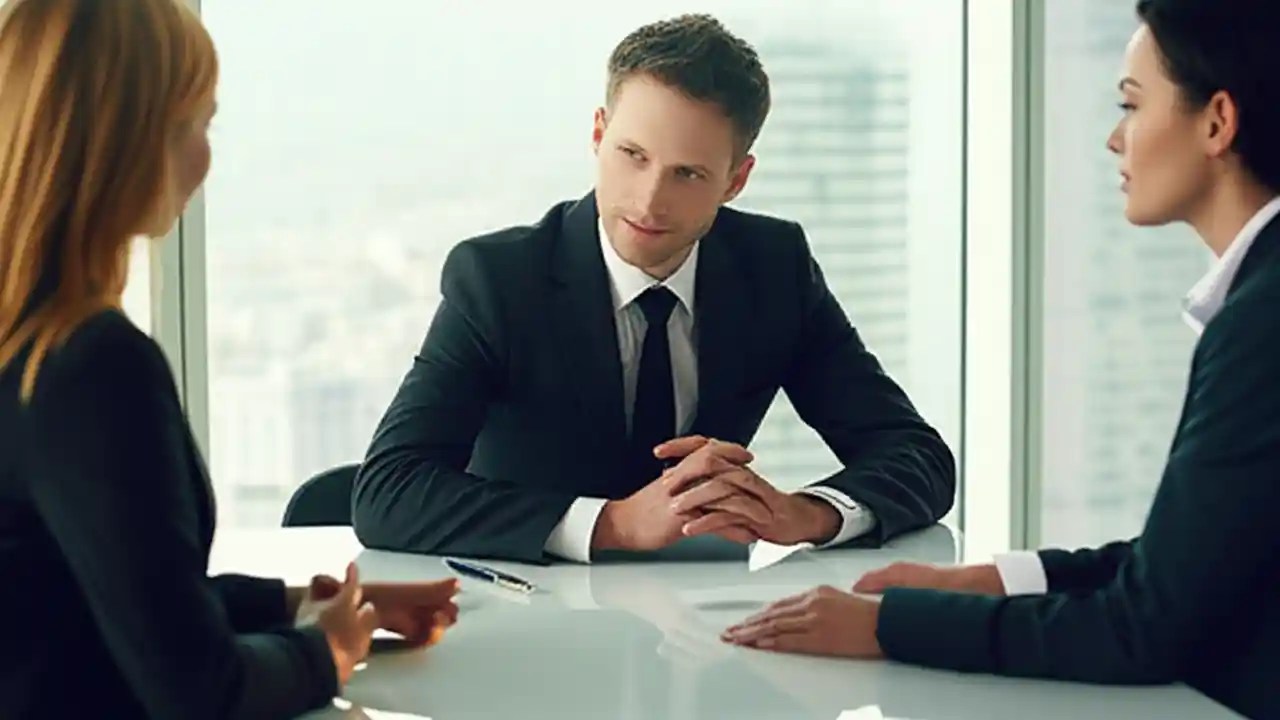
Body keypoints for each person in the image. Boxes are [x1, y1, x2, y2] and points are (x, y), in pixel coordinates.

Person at [722, 1, 1280, 717]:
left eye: (1131, 105)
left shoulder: (1261, 323)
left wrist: (887, 627)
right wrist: (992, 579)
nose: (1115, 139)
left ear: (1216, 121)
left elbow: (1147, 628)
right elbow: (1187, 567)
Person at [352, 13, 955, 565]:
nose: (648, 200)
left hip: (709, 622)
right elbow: (387, 490)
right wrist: (611, 524)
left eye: (688, 173)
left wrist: (806, 514)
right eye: (632, 155)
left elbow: (918, 457)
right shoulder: (499, 280)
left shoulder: (773, 269)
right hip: (535, 616)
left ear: (735, 179)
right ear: (598, 133)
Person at [0, 2, 458, 718]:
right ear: (122, 142)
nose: (205, 157)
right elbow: (201, 691)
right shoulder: (93, 366)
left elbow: (104, 599)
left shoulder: (24, 345)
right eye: (195, 124)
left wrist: (305, 604)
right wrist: (330, 648)